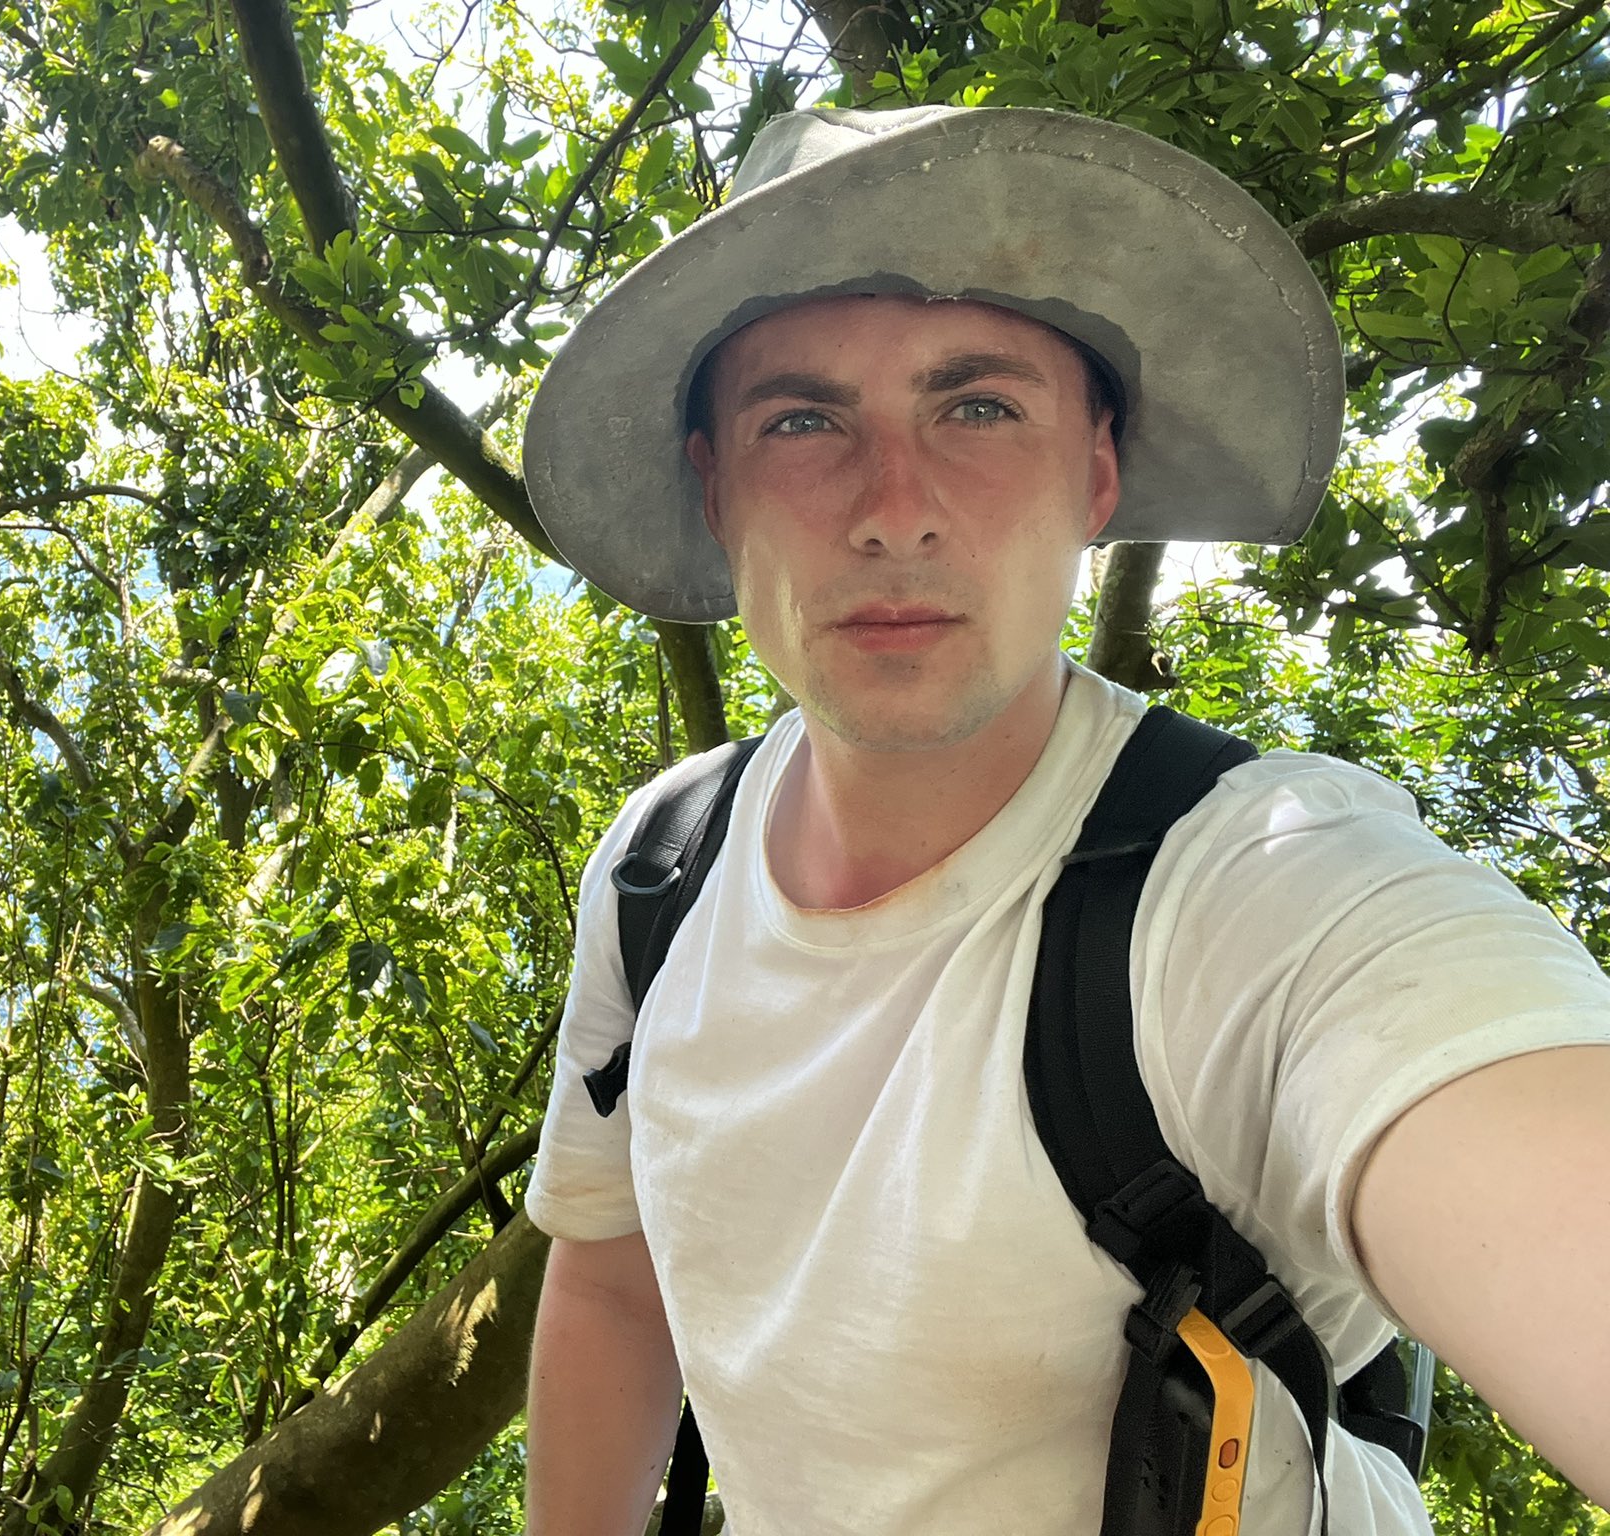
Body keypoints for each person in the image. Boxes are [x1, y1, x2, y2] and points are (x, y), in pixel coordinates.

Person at [513, 105, 1610, 1535]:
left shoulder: (1251, 889)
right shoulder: (662, 870)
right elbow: (611, 1276)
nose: (893, 509)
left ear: (1096, 474)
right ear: (716, 488)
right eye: (803, 419)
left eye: (978, 408)